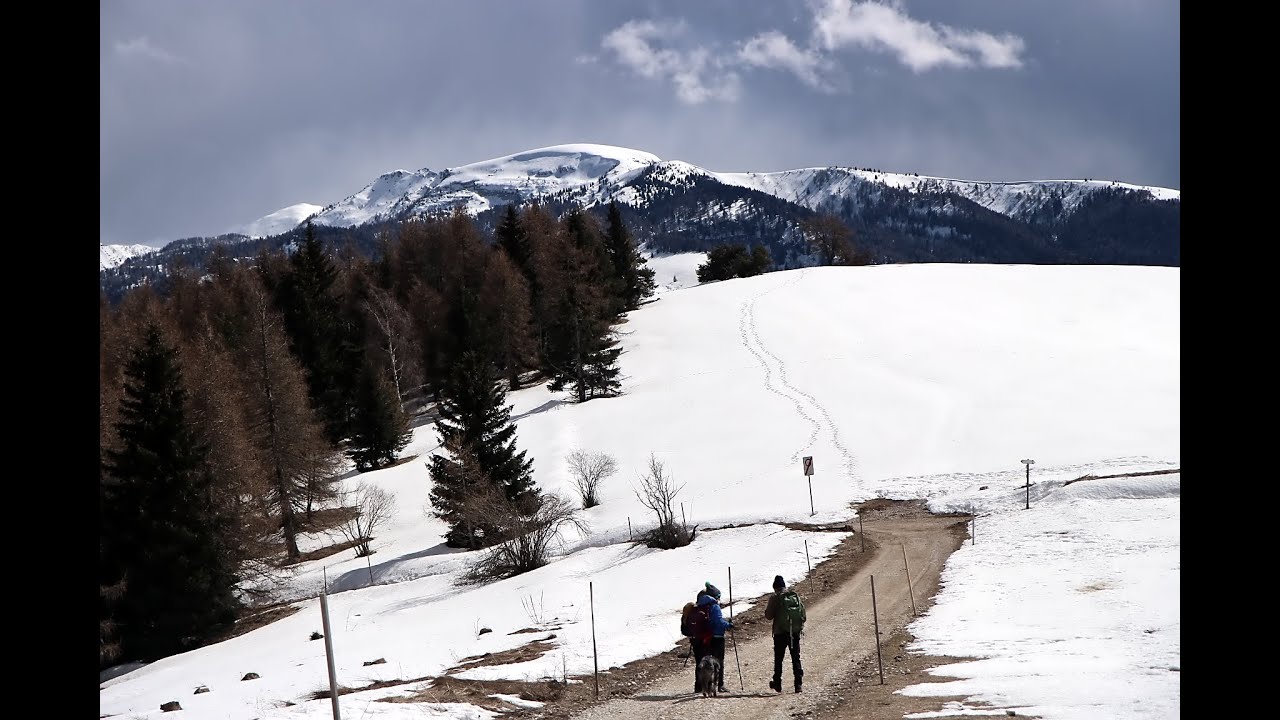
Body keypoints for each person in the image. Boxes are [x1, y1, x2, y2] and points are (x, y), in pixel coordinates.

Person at [763, 574, 805, 693]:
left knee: (779, 659)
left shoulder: (775, 598)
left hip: (780, 633)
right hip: (794, 632)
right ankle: (798, 684)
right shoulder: (794, 596)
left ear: (775, 587)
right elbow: (803, 615)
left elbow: (768, 616)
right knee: (795, 657)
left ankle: (777, 683)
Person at [699, 582, 733, 693]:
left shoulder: (702, 605)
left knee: (708, 661)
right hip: (717, 637)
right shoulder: (715, 606)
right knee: (718, 662)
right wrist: (728, 625)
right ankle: (720, 685)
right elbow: (718, 622)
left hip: (707, 637)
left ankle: (706, 686)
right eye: (718, 596)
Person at [683, 589, 711, 693]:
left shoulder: (690, 611)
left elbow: (684, 630)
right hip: (704, 640)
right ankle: (706, 686)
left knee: (699, 662)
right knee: (707, 662)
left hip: (694, 641)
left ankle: (698, 686)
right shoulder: (703, 611)